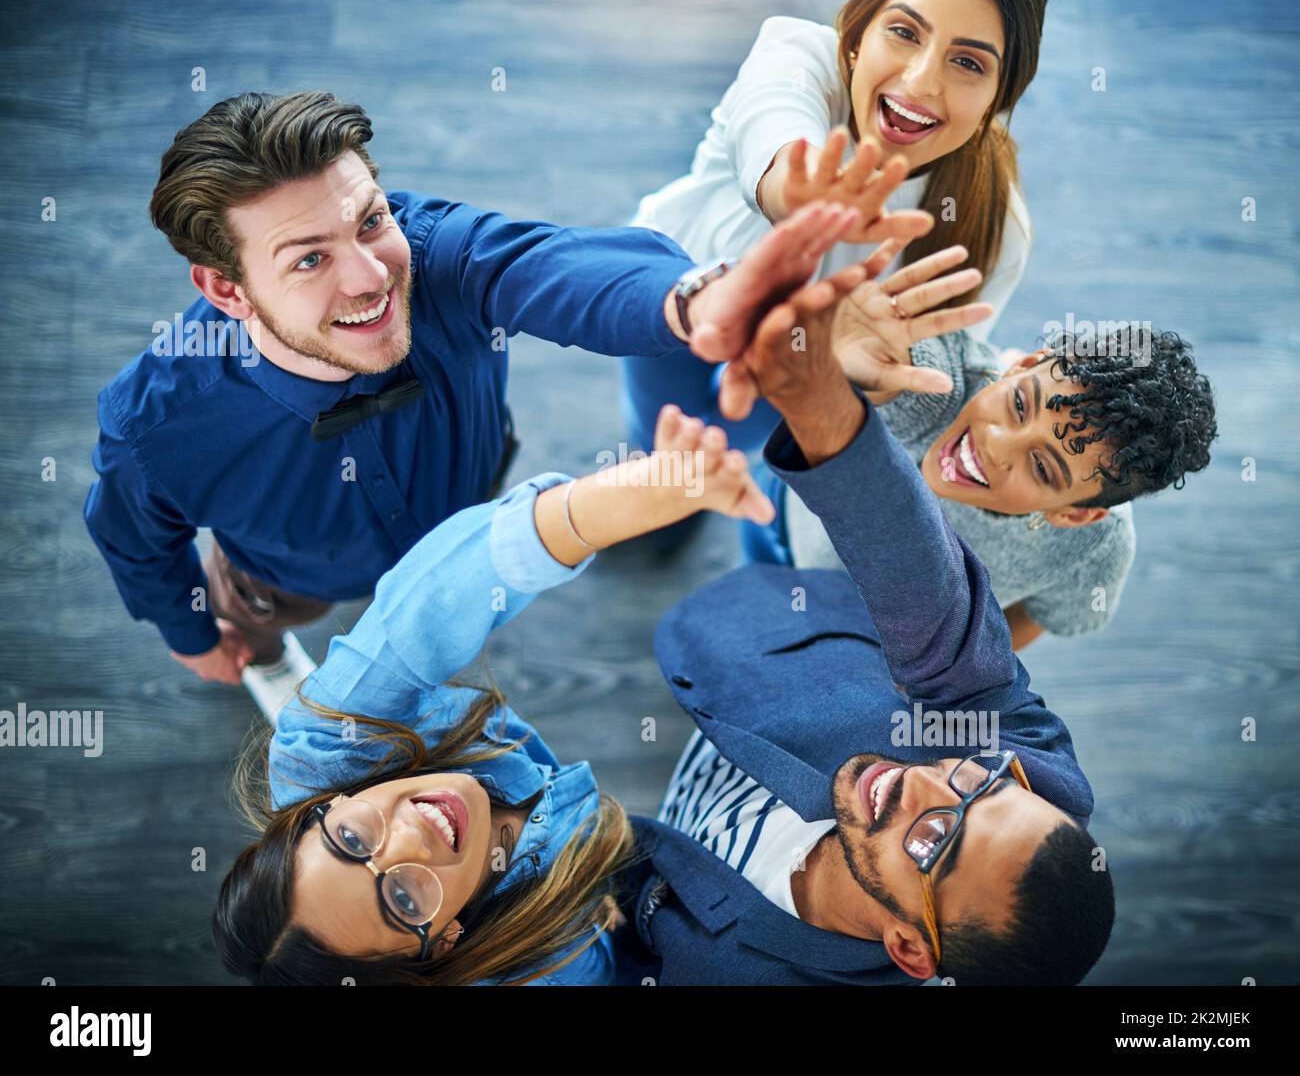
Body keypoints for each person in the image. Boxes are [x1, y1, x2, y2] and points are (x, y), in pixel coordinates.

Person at [82, 90, 908, 718]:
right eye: (308, 261)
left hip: (463, 502)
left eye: (371, 221)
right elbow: (133, 542)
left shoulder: (434, 251)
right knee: (255, 619)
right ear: (226, 289)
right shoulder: (155, 426)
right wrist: (194, 637)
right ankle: (269, 661)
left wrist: (699, 298)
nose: (371, 275)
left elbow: (548, 267)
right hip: (290, 576)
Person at [613, 252, 1116, 985]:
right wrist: (818, 399)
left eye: (936, 840)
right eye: (980, 785)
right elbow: (934, 605)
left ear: (911, 949)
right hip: (756, 633)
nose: (931, 779)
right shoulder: (1033, 774)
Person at [213, 405, 778, 986]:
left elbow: (427, 608)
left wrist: (619, 501)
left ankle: (272, 664)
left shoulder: (324, 746)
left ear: (318, 810)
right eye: (404, 899)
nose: (412, 835)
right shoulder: (550, 968)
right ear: (439, 947)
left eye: (352, 840)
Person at [620, 0, 1049, 460]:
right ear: (856, 38)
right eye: (904, 32)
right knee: (656, 435)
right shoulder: (797, 56)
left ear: (997, 102)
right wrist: (796, 197)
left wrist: (874, 385)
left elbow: (926, 381)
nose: (921, 81)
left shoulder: (999, 230)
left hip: (804, 356)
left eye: (968, 63)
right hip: (673, 282)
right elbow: (774, 116)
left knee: (723, 452)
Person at [747, 290, 1218, 647]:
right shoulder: (936, 381)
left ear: (1075, 515)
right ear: (1023, 366)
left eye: (1042, 468)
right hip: (783, 521)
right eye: (1018, 403)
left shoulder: (1093, 552)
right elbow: (889, 365)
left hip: (863, 643)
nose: (993, 443)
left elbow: (1041, 614)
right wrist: (840, 349)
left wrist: (948, 669)